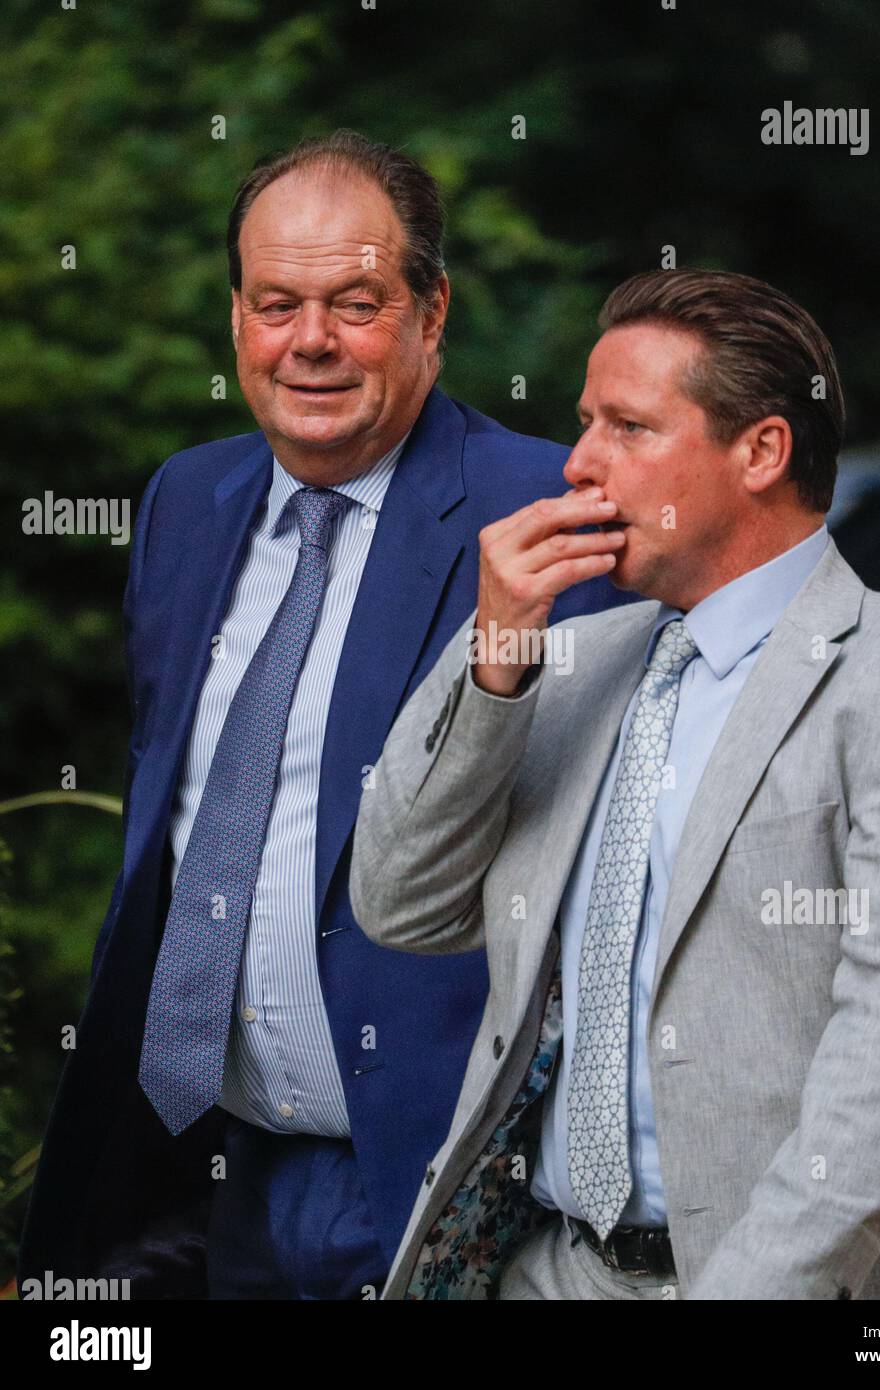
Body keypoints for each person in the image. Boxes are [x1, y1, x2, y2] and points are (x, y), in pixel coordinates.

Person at [17, 130, 636, 1300]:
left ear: (431, 313)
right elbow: (178, 802)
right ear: (236, 317)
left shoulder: (550, 510)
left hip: (443, 1188)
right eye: (274, 304)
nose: (309, 342)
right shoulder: (186, 501)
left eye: (355, 304)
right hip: (214, 1172)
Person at [351, 267, 880, 1300]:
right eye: (585, 423)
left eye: (627, 427)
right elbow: (399, 902)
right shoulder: (566, 663)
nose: (578, 464)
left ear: (759, 450)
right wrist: (493, 659)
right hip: (547, 1271)